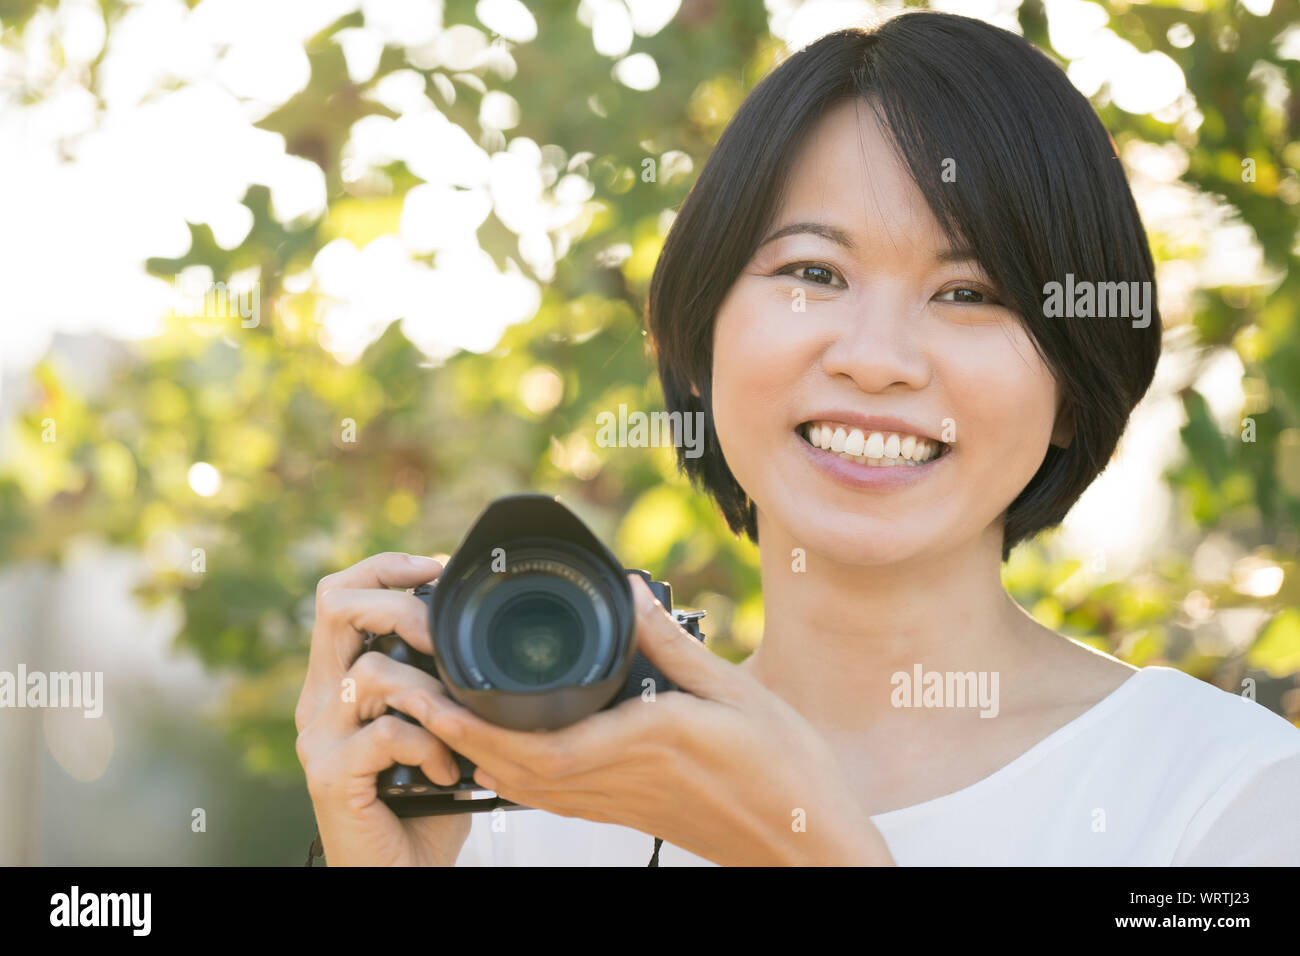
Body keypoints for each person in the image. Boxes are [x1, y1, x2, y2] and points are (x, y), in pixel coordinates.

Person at [294, 10, 1300, 866]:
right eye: (813, 273)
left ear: (1072, 385)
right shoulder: (534, 810)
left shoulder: (1223, 801)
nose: (875, 357)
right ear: (700, 337)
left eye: (970, 292)